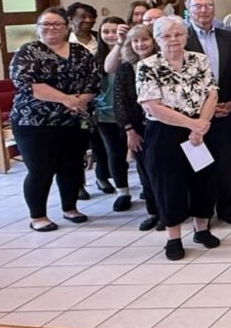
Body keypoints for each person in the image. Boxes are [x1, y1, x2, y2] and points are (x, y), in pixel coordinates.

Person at [135, 15, 221, 259]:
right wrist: (192, 124)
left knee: (204, 180)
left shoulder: (199, 60)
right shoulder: (147, 66)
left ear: (186, 36)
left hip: (201, 128)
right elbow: (152, 107)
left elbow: (212, 94)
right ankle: (173, 238)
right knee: (168, 184)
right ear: (157, 39)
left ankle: (202, 229)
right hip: (165, 132)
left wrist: (199, 126)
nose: (173, 40)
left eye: (178, 35)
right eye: (166, 36)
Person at [11, 7, 99, 232]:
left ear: (66, 26)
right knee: (40, 169)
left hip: (73, 120)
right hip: (34, 122)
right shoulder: (27, 51)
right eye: (45, 24)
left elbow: (93, 81)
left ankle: (70, 208)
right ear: (38, 28)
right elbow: (30, 85)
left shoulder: (80, 52)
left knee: (71, 167)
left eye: (57, 24)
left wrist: (79, 101)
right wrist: (67, 99)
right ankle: (37, 216)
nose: (51, 29)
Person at [185, 0, 231, 226]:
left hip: (225, 112)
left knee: (225, 162)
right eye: (198, 6)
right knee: (199, 163)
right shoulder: (183, 38)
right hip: (194, 115)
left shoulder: (229, 38)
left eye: (208, 6)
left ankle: (226, 206)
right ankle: (202, 211)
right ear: (189, 11)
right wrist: (203, 108)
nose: (203, 10)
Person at [114, 24, 163, 230]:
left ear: (154, 41)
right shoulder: (126, 68)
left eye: (144, 39)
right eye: (135, 41)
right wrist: (129, 130)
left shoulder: (164, 64)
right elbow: (120, 101)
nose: (140, 44)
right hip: (138, 128)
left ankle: (170, 212)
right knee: (146, 173)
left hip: (163, 125)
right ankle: (154, 212)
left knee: (165, 172)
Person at [92, 17, 131, 210]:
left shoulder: (131, 52)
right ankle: (122, 191)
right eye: (105, 31)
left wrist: (122, 43)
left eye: (115, 31)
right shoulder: (96, 56)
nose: (110, 35)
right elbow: (108, 69)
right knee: (115, 153)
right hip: (106, 113)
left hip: (130, 113)